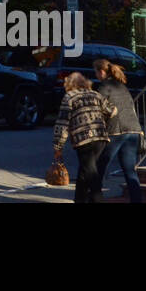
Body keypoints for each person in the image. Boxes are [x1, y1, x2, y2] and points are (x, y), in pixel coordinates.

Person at [53, 71, 117, 203]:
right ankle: (79, 200)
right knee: (84, 172)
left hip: (83, 140)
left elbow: (62, 124)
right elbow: (112, 111)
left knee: (91, 174)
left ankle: (97, 199)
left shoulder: (69, 97)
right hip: (100, 138)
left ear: (69, 84)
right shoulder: (95, 94)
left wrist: (58, 147)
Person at [93, 57, 143, 203]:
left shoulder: (103, 87)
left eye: (96, 72)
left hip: (115, 131)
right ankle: (137, 200)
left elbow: (98, 110)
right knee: (129, 170)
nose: (95, 75)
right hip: (133, 129)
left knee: (99, 167)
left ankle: (95, 198)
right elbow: (131, 107)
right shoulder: (122, 86)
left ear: (102, 72)